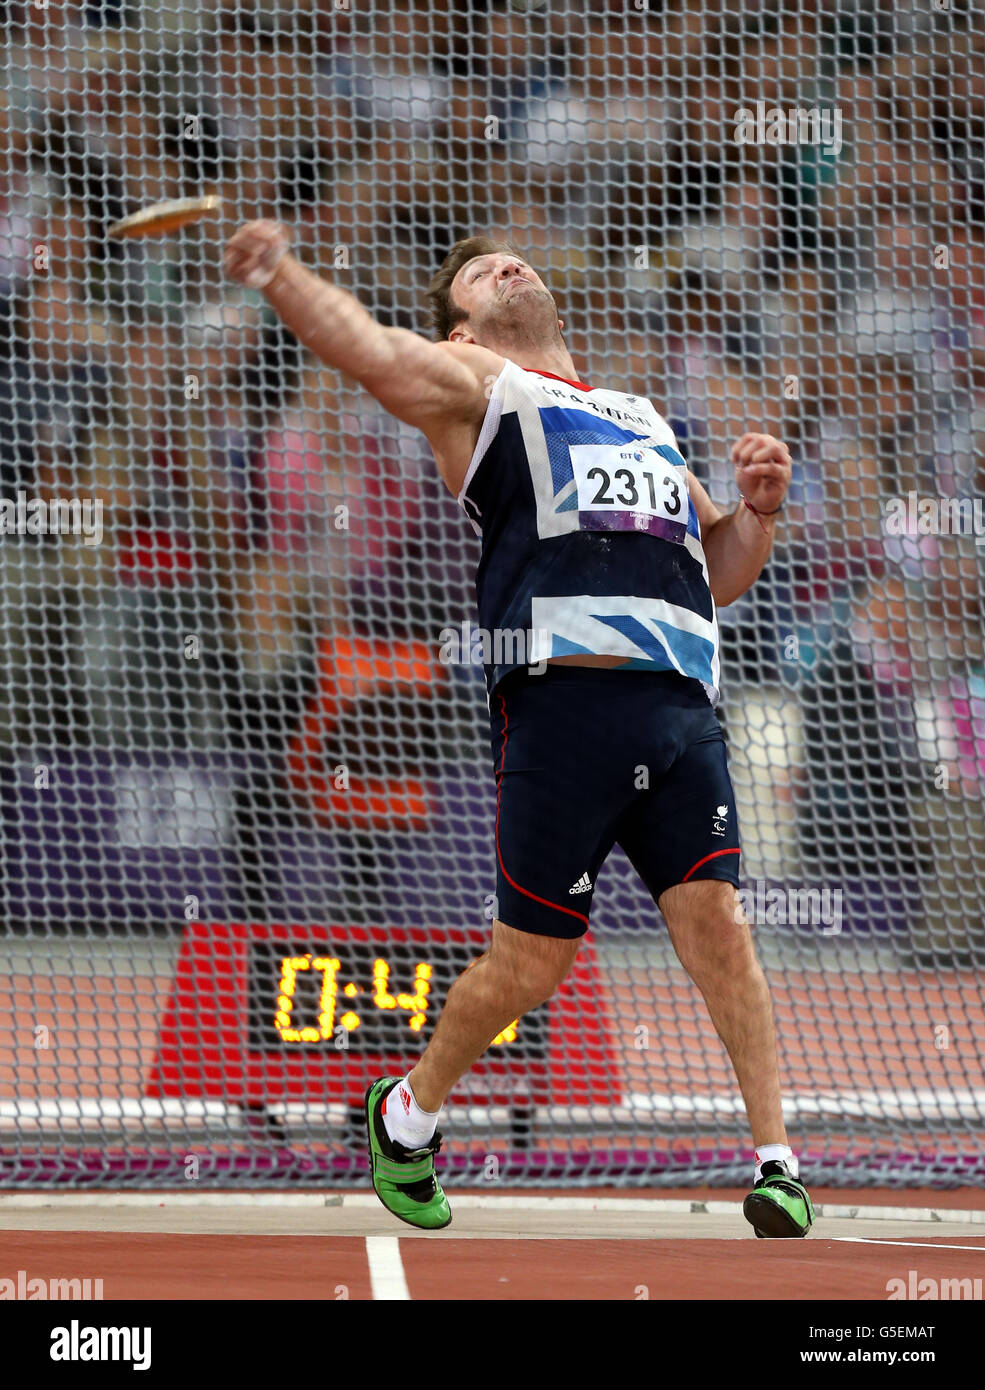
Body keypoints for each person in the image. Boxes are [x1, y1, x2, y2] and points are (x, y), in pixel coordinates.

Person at [223, 222, 813, 1239]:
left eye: (517, 258)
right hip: (562, 714)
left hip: (681, 710)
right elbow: (366, 345)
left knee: (718, 923)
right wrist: (279, 272)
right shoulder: (481, 389)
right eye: (480, 271)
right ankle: (408, 1114)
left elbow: (716, 570)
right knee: (530, 966)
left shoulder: (639, 417)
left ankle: (775, 1162)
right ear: (461, 326)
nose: (510, 264)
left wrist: (757, 509)